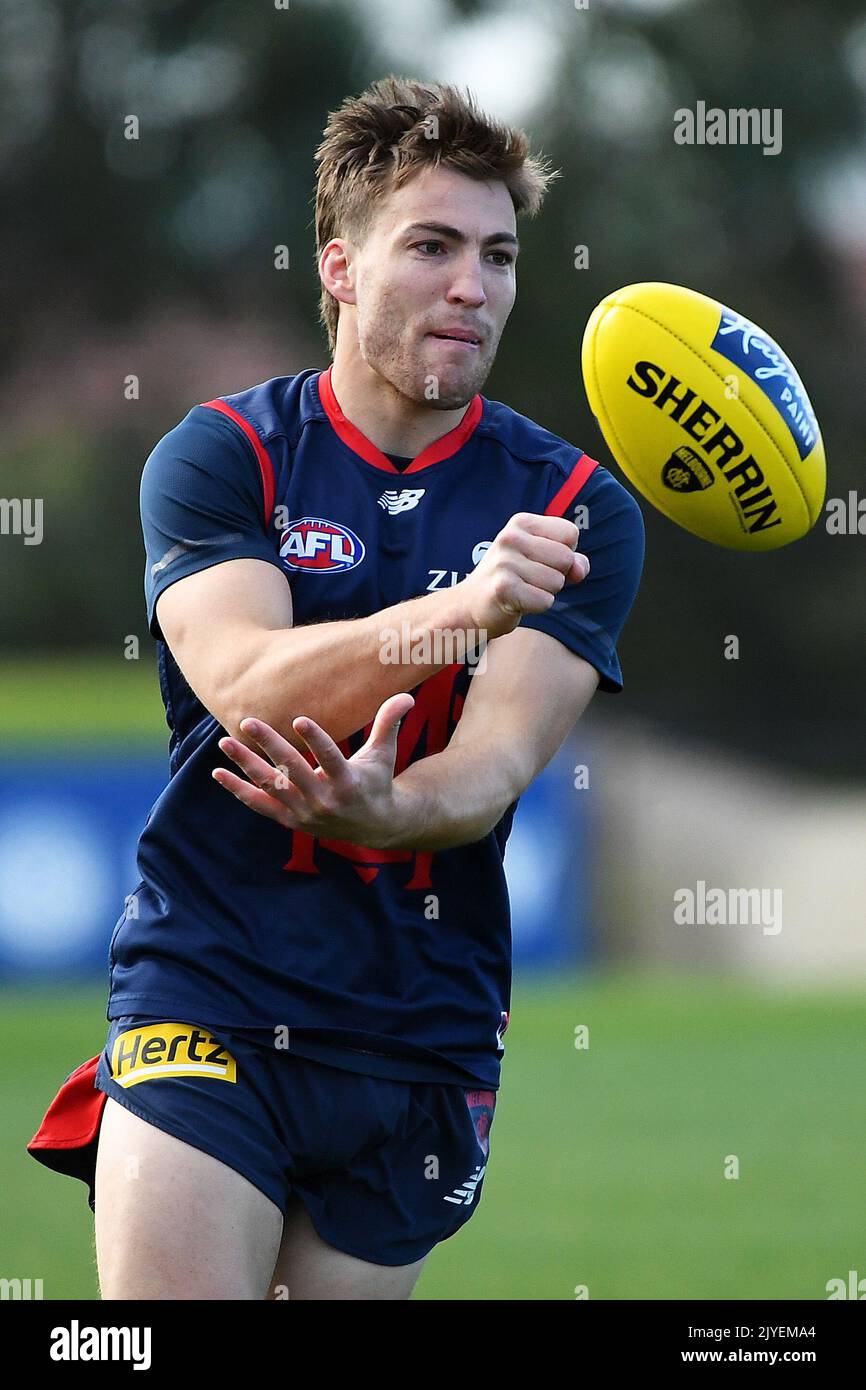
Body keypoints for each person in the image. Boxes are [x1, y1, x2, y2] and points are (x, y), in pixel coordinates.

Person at [28, 75, 644, 1300]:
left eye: (499, 254)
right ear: (341, 266)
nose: (473, 287)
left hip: (419, 1026)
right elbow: (246, 683)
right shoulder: (225, 454)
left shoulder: (577, 507)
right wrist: (461, 610)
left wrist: (389, 812)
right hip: (211, 987)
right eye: (431, 246)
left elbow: (492, 764)